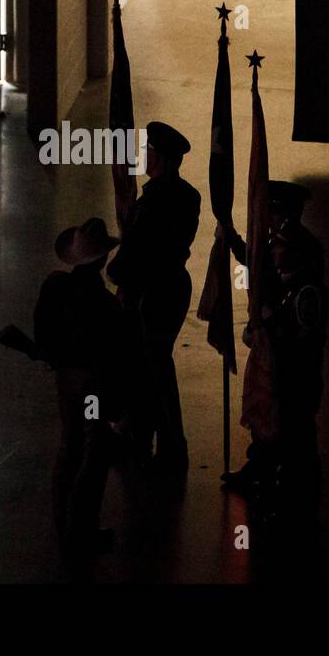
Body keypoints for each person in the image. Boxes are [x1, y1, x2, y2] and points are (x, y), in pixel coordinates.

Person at [219, 181, 329, 508]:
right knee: (268, 423)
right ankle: (262, 473)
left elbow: (298, 341)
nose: (274, 252)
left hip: (296, 373)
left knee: (296, 433)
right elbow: (259, 262)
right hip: (277, 368)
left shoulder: (306, 294)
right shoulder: (286, 264)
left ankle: (299, 491)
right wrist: (233, 239)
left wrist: (267, 319)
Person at [33, 217, 131, 578]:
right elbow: (116, 356)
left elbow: (42, 337)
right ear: (103, 260)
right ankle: (83, 532)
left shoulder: (55, 289)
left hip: (66, 382)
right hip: (94, 385)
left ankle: (65, 532)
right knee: (95, 456)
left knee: (69, 450)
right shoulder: (106, 305)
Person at [106, 121, 200, 473]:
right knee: (152, 365)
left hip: (152, 292)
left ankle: (170, 443)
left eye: (148, 152)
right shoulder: (190, 196)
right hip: (175, 285)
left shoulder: (151, 202)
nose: (143, 156)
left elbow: (138, 251)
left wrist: (115, 274)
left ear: (158, 158)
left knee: (154, 369)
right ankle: (145, 433)